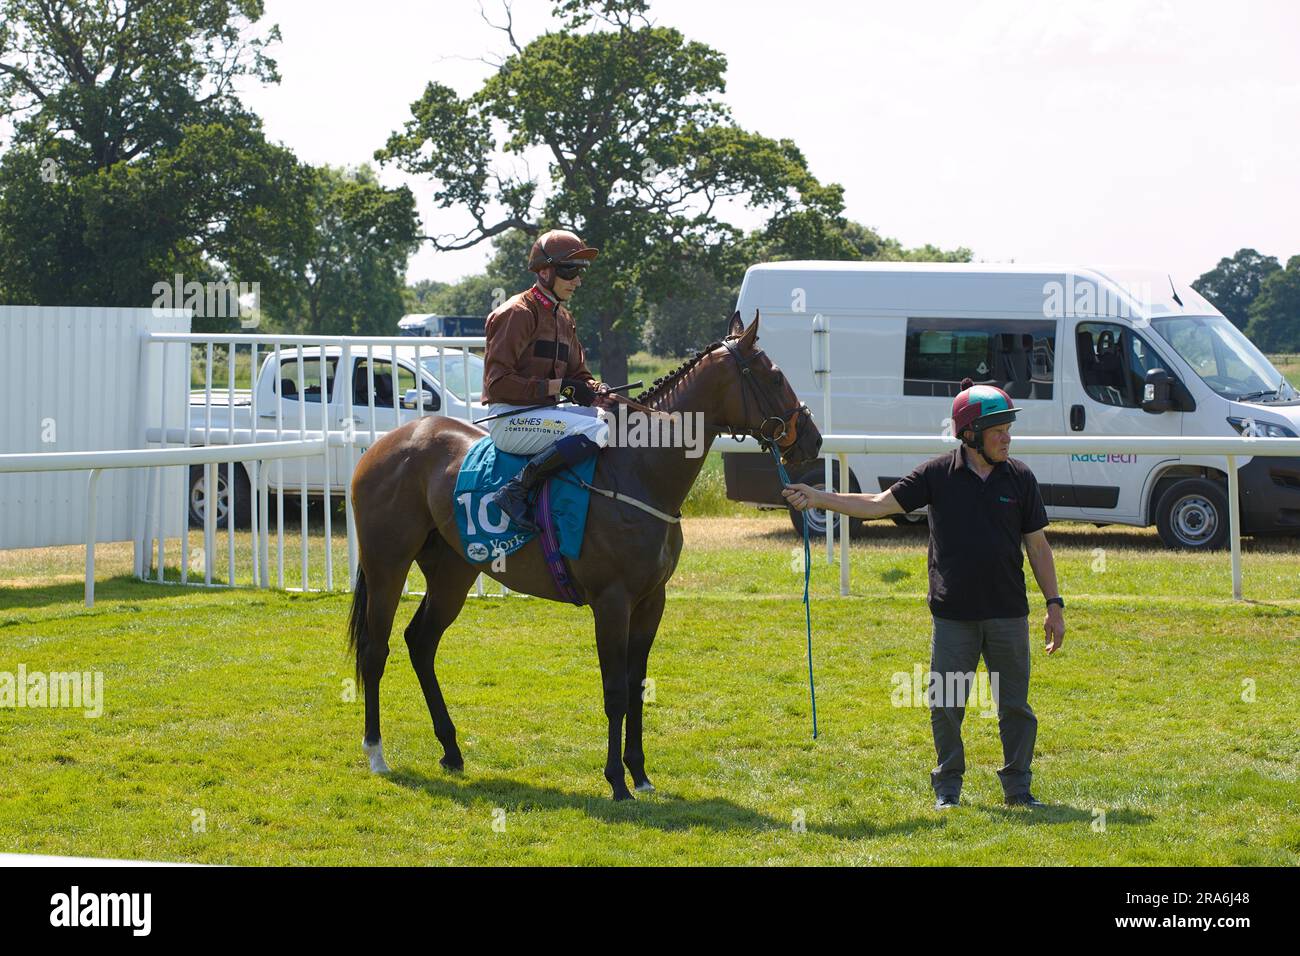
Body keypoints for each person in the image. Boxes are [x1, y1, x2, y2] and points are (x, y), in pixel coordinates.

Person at [783, 378, 1066, 810]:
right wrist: (819, 497)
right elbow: (878, 505)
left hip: (1008, 614)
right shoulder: (936, 475)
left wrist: (1054, 605)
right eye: (998, 431)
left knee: (1015, 708)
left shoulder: (1021, 478)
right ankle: (948, 788)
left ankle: (1018, 790)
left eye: (1008, 429)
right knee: (947, 705)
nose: (1007, 438)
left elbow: (1038, 546)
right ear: (970, 436)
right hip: (953, 616)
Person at [480, 228, 613, 532]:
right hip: (509, 419)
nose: (577, 280)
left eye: (581, 272)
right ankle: (516, 490)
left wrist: (593, 388)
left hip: (545, 415)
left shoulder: (564, 319)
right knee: (593, 427)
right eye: (570, 271)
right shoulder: (516, 312)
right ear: (544, 271)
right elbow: (498, 384)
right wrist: (558, 387)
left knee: (612, 420)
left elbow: (579, 374)